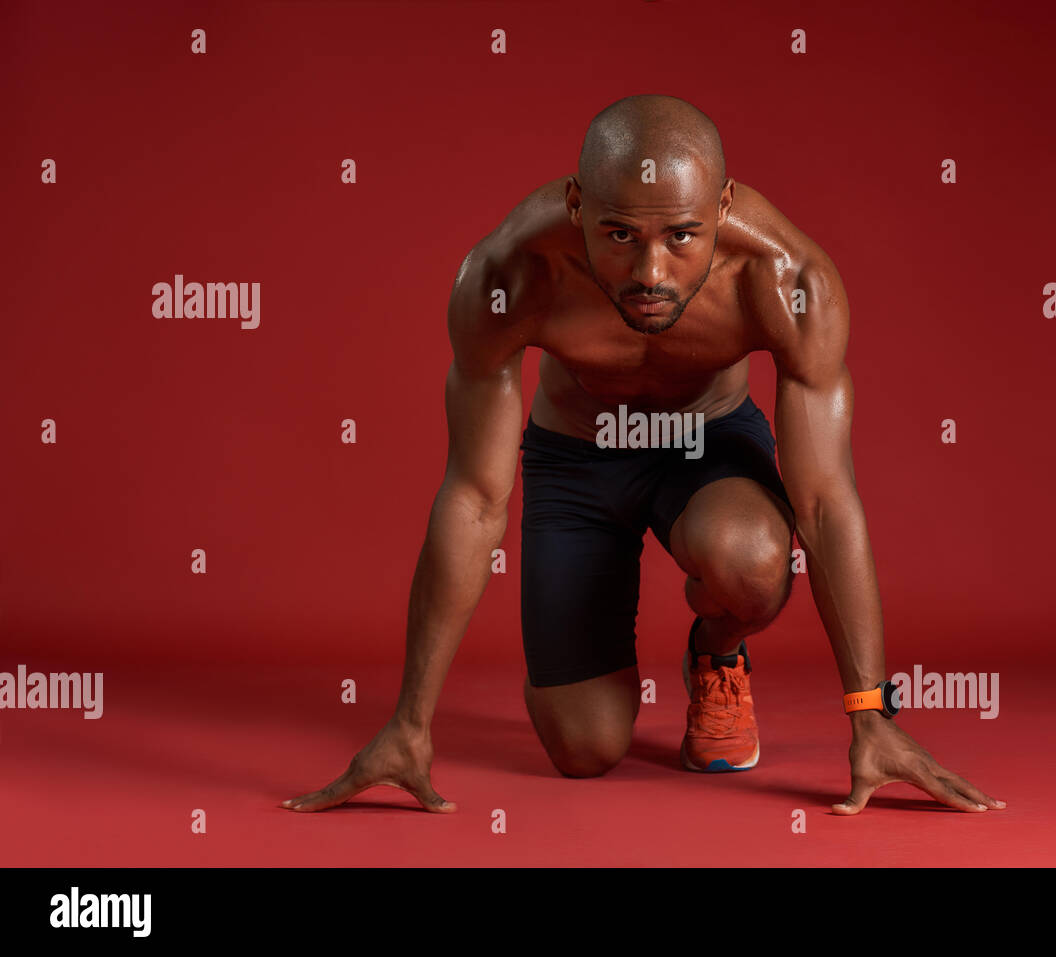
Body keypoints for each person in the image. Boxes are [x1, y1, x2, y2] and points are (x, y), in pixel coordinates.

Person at [282, 94, 1005, 815]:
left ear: (723, 209)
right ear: (576, 206)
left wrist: (872, 713)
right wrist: (410, 722)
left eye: (684, 235)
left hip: (705, 443)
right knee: (584, 749)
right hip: (575, 461)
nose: (651, 271)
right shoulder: (510, 277)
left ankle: (717, 649)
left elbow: (823, 501)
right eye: (620, 234)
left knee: (753, 559)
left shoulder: (786, 281)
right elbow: (473, 497)